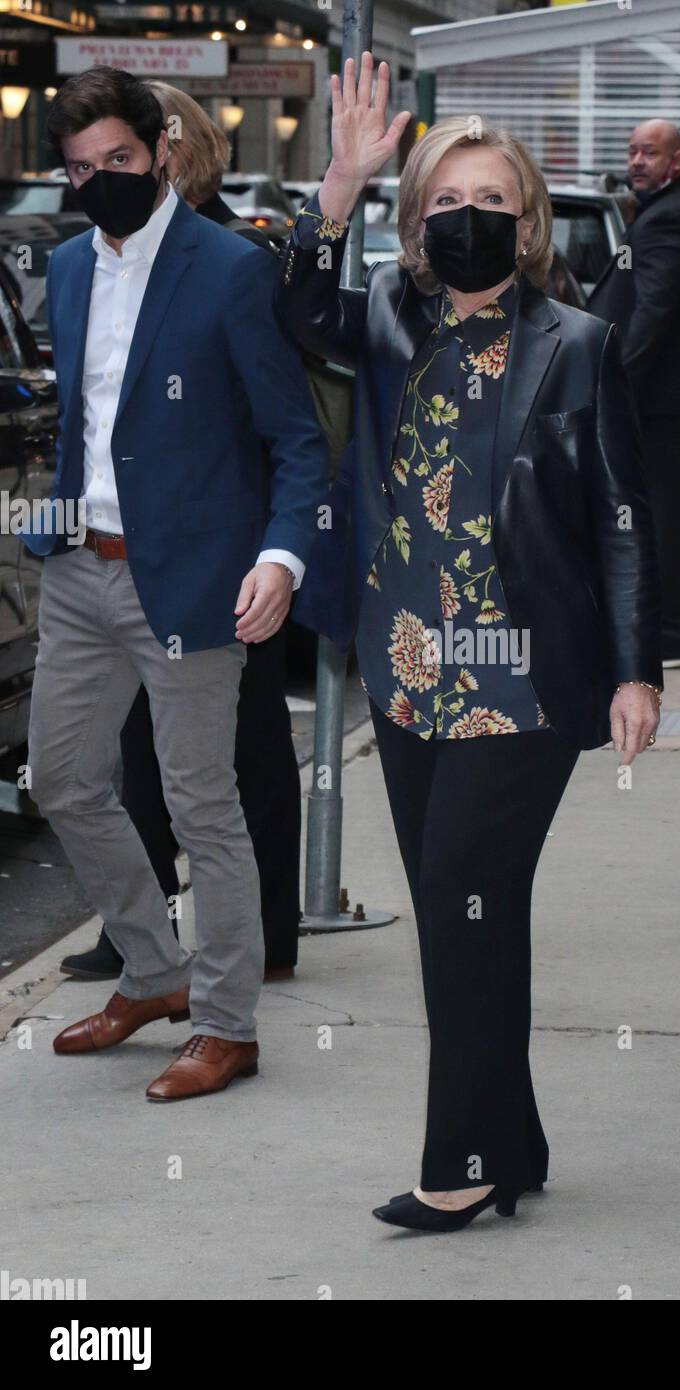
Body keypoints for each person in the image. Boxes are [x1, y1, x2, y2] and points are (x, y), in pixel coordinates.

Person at [275, 53, 662, 1232]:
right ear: (414, 217)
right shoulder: (389, 319)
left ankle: (464, 1162)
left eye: (493, 204)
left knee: (457, 892)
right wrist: (334, 185)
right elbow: (292, 308)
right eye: (447, 201)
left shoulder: (577, 342)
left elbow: (623, 516)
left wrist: (638, 665)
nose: (470, 221)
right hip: (403, 676)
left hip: (523, 680)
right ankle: (520, 1139)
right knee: (468, 913)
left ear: (530, 221)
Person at [23, 66, 327, 1099]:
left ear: (160, 152)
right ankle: (152, 973)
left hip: (194, 579)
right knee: (60, 778)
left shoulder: (228, 268)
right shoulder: (66, 270)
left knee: (204, 804)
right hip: (81, 570)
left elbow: (293, 436)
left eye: (117, 159)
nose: (100, 179)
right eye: (78, 168)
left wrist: (280, 558)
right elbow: (87, 420)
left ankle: (228, 1022)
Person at [587, 119, 680, 669]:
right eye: (633, 150)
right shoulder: (668, 210)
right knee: (667, 510)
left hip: (660, 397)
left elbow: (654, 312)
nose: (638, 161)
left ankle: (668, 632)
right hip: (670, 393)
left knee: (660, 513)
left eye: (651, 152)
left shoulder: (670, 219)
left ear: (677, 161)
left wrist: (621, 384)